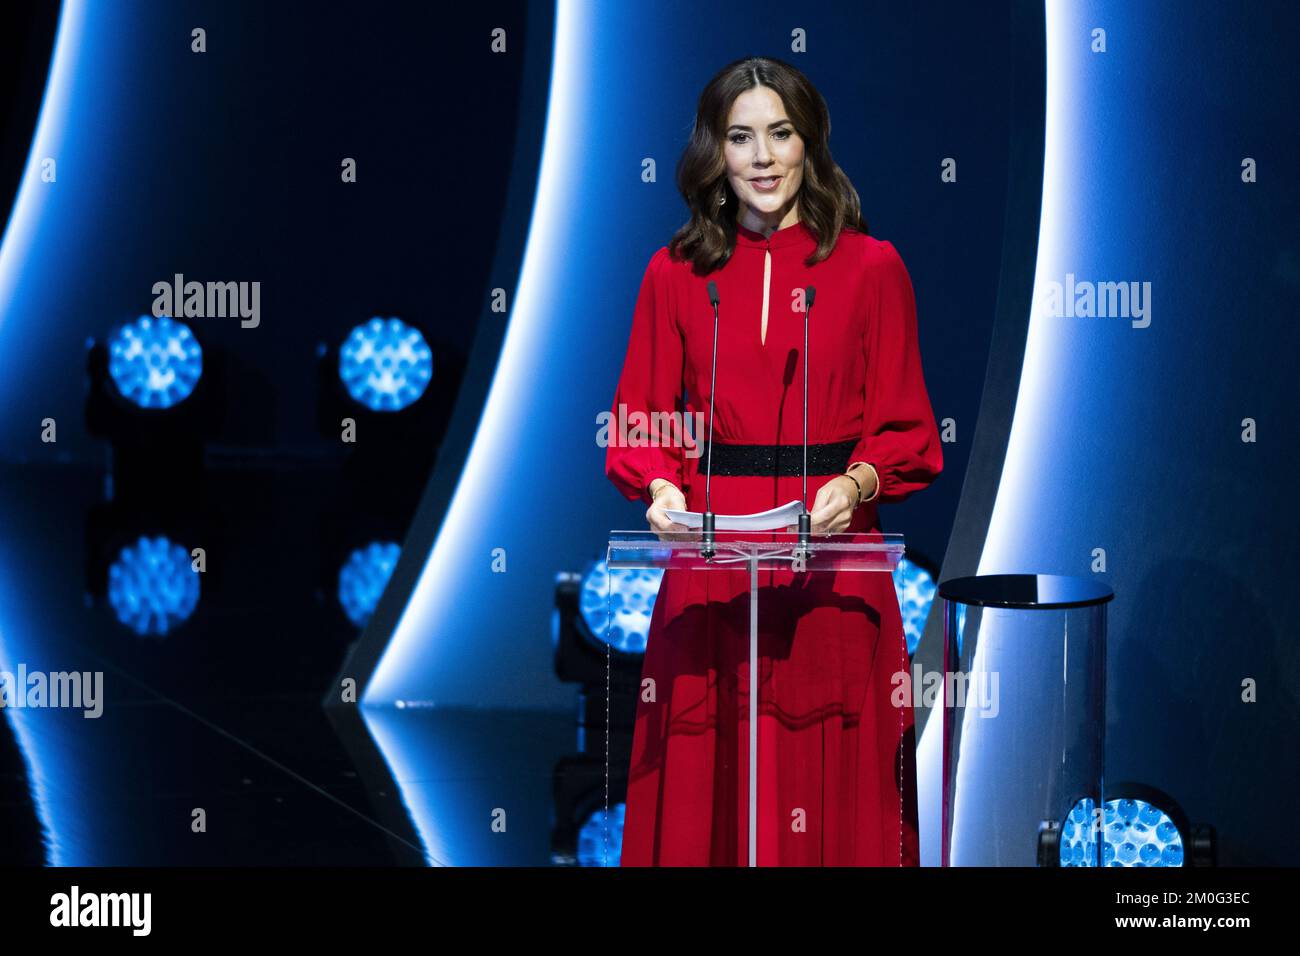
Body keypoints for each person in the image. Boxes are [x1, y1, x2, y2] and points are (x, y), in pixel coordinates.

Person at [604, 56, 943, 865]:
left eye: (780, 135)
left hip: (834, 558)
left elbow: (908, 431)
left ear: (809, 144)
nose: (762, 157)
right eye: (741, 137)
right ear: (714, 153)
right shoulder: (676, 273)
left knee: (825, 785)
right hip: (712, 558)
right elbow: (639, 421)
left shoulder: (871, 267)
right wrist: (657, 487)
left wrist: (856, 483)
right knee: (708, 786)